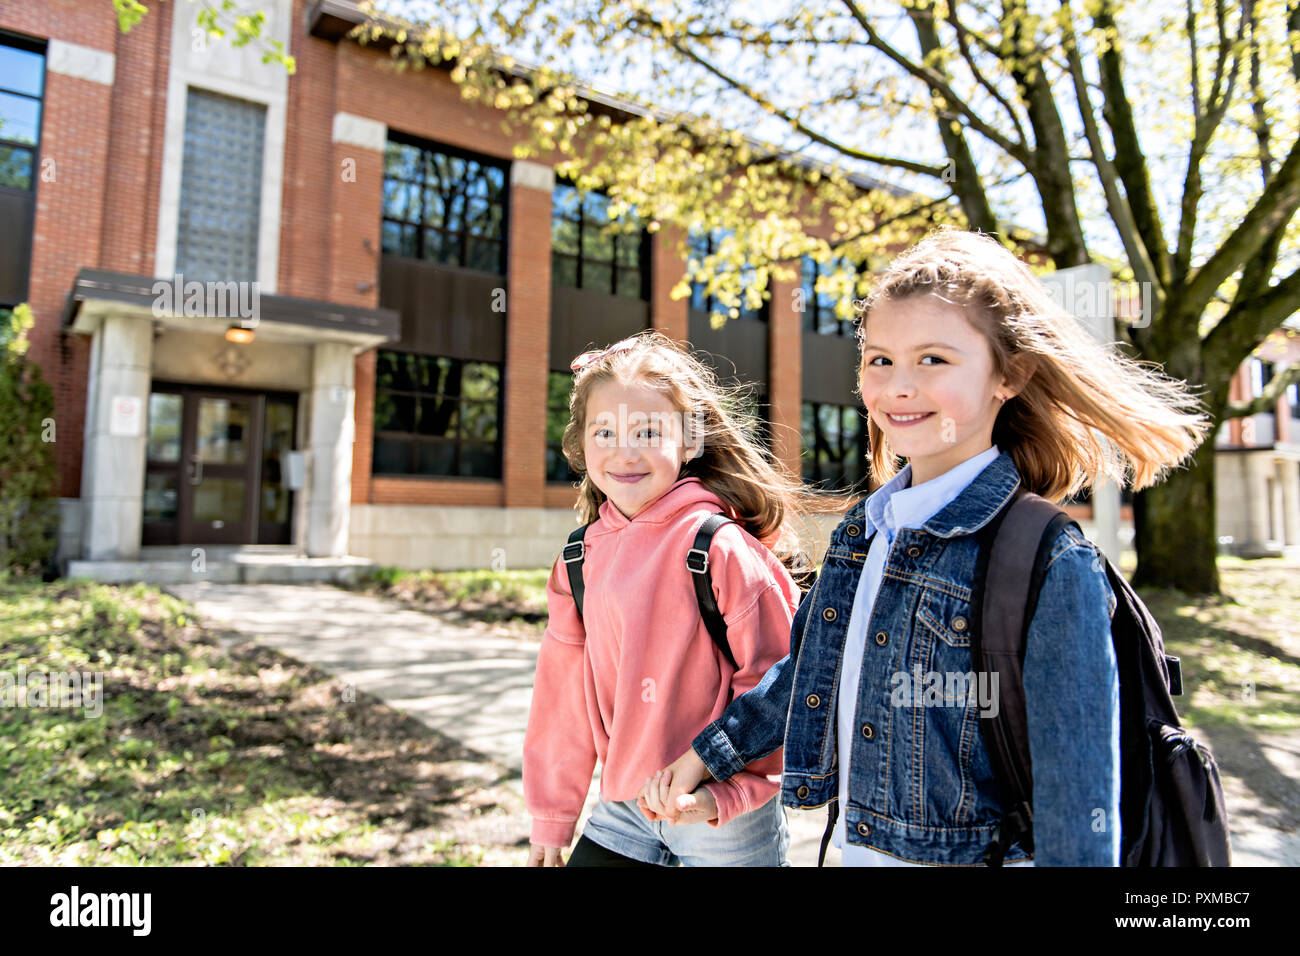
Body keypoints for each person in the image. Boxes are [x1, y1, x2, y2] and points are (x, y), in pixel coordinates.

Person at [640, 227, 1211, 866]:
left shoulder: (1050, 558)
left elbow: (1079, 813)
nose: (897, 386)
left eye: (933, 359)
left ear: (1009, 374)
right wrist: (701, 760)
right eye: (879, 359)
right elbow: (805, 675)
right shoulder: (865, 531)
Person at [523, 330, 827, 867]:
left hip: (719, 813)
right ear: (580, 443)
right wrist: (552, 813)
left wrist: (726, 791)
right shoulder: (578, 558)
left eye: (647, 431)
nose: (625, 450)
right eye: (605, 431)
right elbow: (561, 693)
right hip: (624, 803)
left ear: (689, 442)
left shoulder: (721, 547)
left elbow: (783, 683)